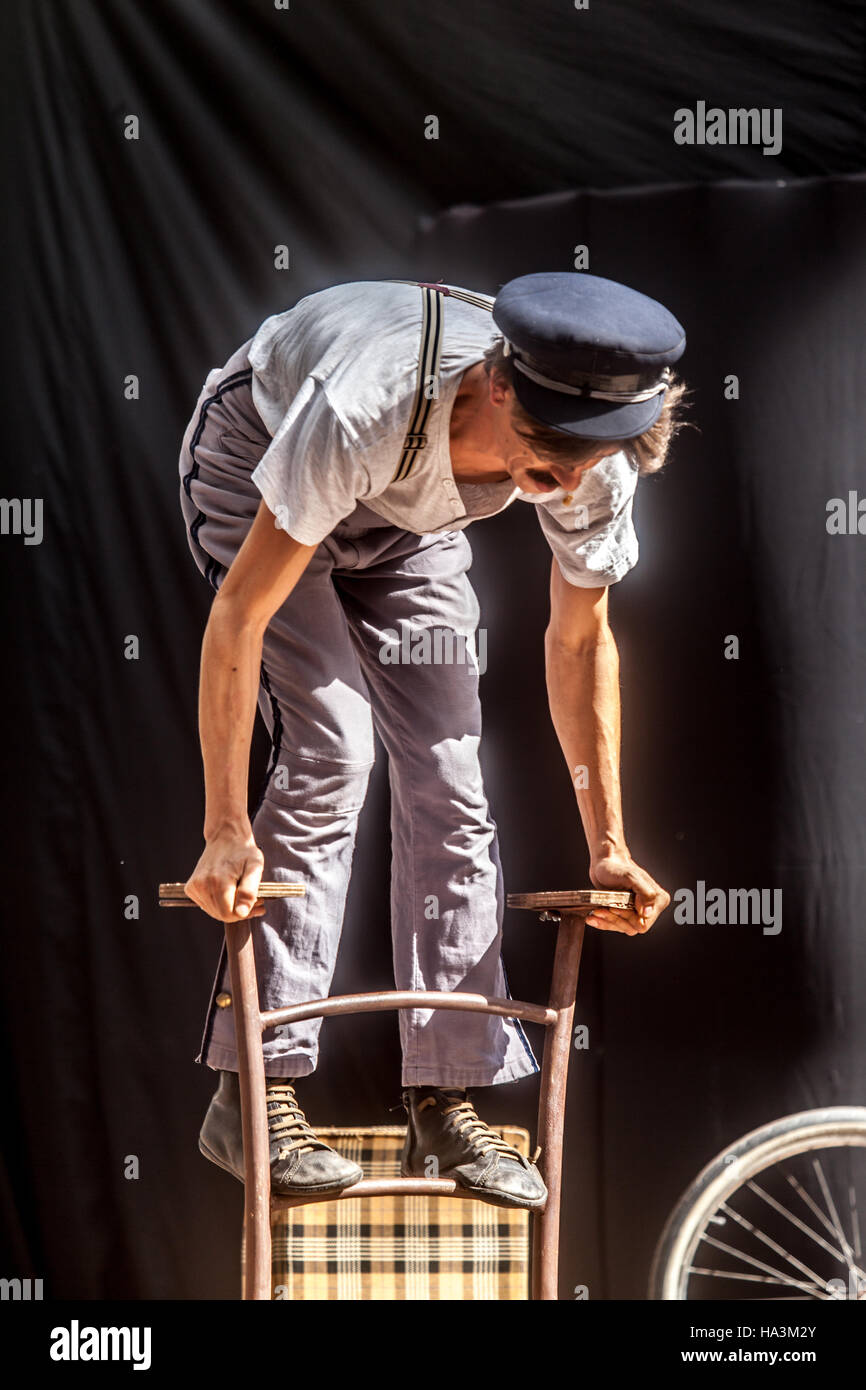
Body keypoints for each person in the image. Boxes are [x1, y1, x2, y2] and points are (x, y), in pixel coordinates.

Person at [178, 271, 687, 1210]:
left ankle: (446, 1097)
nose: (563, 485)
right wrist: (223, 827)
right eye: (544, 459)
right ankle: (255, 1090)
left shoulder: (595, 464)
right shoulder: (362, 405)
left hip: (413, 524)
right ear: (497, 384)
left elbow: (579, 640)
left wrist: (608, 844)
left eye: (584, 464)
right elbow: (240, 617)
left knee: (454, 775)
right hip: (267, 456)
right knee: (335, 749)